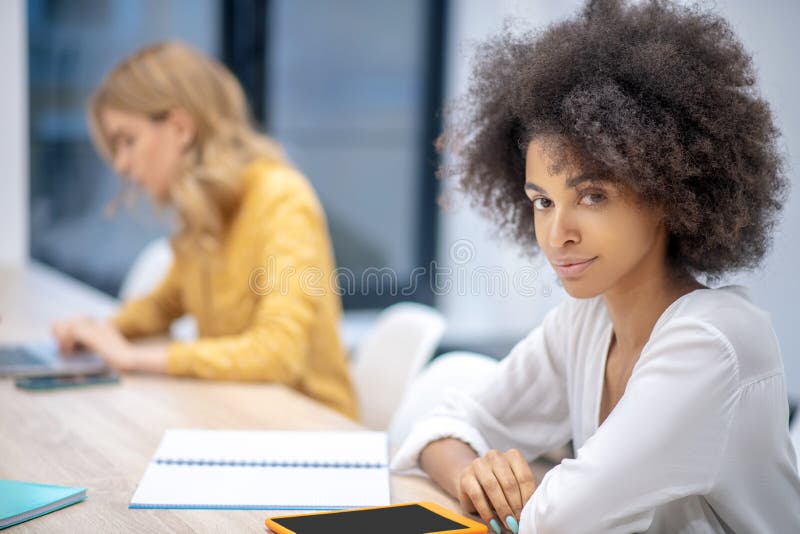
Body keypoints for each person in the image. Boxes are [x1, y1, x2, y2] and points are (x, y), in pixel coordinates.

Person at [392, 0, 800, 532]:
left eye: (591, 196)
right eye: (542, 201)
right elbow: (441, 425)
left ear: (666, 194)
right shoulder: (585, 323)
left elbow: (557, 520)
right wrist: (477, 473)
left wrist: (504, 489)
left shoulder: (713, 344)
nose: (558, 232)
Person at [51, 41, 357, 420]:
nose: (121, 164)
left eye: (128, 140)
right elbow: (164, 304)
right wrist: (97, 331)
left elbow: (278, 355)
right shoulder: (204, 210)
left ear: (180, 128)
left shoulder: (281, 199)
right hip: (239, 414)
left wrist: (131, 358)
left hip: (311, 427)